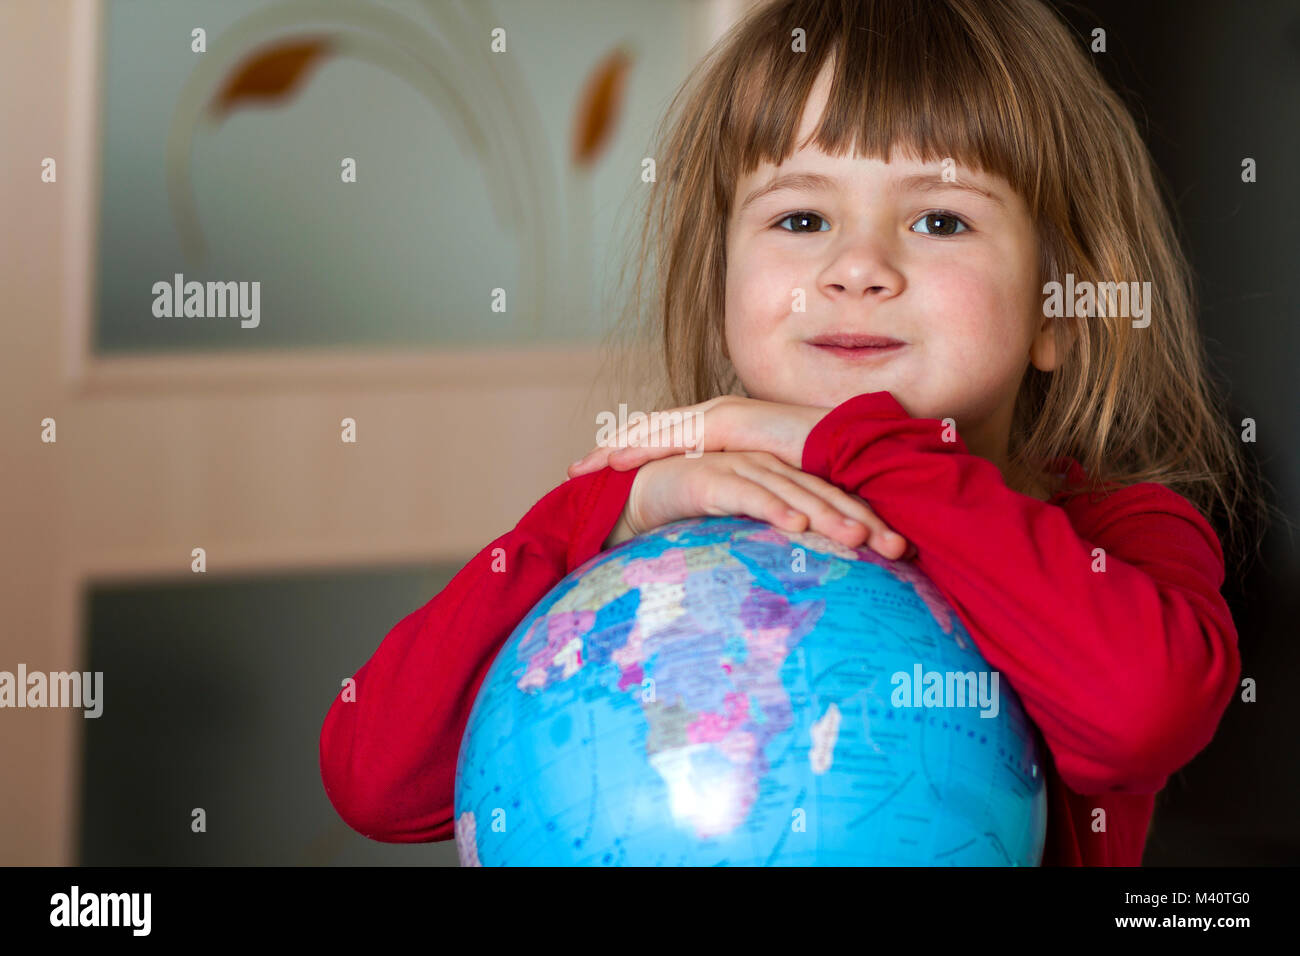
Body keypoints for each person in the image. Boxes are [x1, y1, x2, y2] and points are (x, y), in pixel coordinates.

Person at [319, 0, 1271, 865]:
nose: (858, 267)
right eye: (803, 215)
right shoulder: (654, 530)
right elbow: (373, 779)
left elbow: (1140, 715)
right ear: (721, 286)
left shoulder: (1122, 534)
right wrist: (604, 512)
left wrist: (844, 444)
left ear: (1060, 309)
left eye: (940, 220)